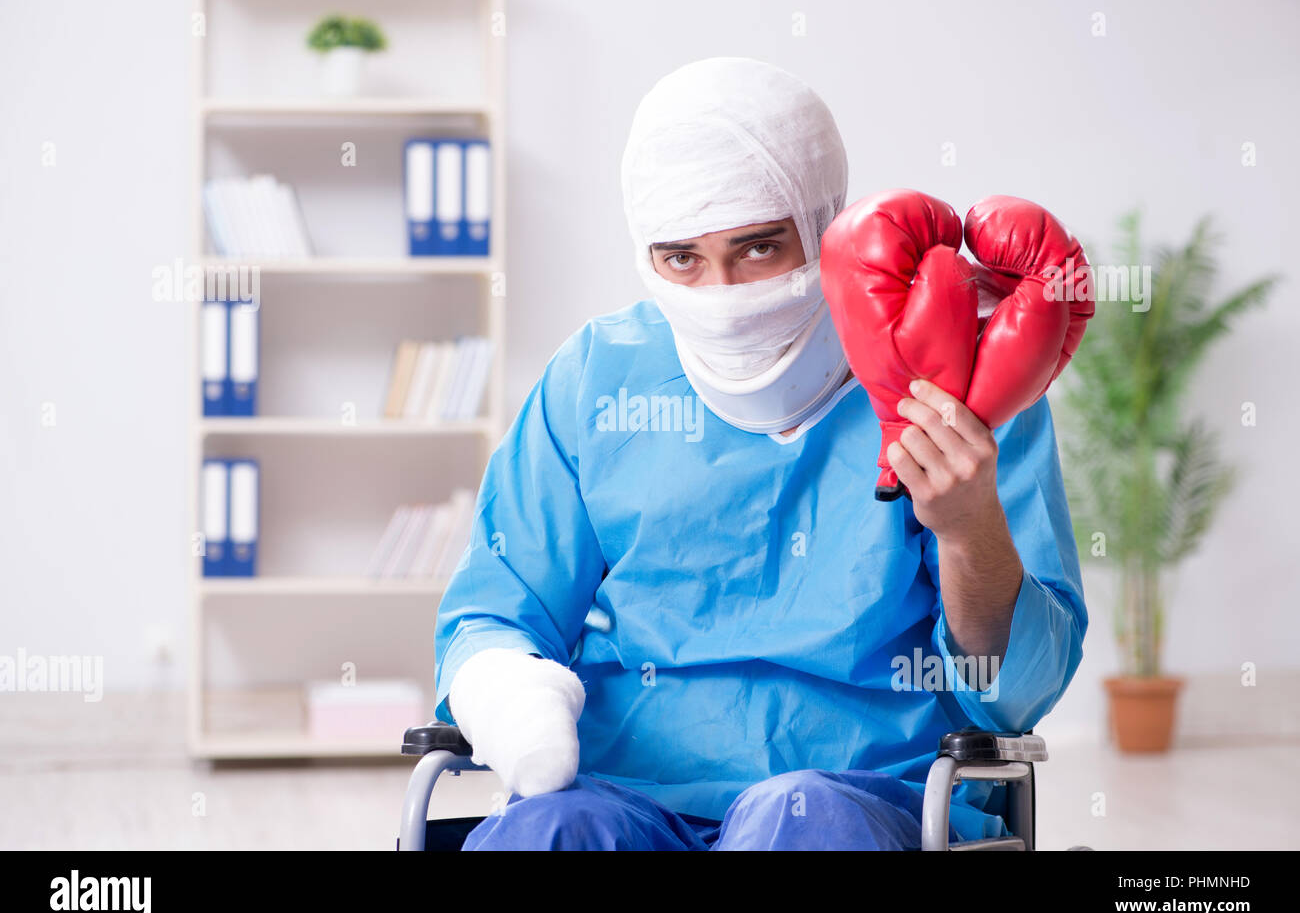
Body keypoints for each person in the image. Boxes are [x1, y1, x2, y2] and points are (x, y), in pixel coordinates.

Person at [433, 57, 1087, 850]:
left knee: (801, 816)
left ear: (824, 227)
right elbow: (496, 609)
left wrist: (967, 528)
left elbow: (1015, 695)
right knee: (547, 830)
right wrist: (517, 703)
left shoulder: (958, 377)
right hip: (625, 793)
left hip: (868, 799)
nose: (721, 293)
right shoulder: (597, 380)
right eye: (683, 258)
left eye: (757, 249)